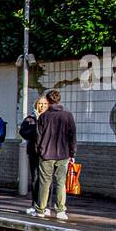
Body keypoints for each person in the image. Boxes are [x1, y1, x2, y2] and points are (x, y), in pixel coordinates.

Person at [27, 89, 76, 221]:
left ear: (48, 101)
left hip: (46, 154)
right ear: (58, 100)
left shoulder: (43, 116)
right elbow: (72, 136)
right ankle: (60, 210)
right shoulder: (68, 115)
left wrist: (39, 151)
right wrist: (72, 153)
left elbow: (38, 136)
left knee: (44, 182)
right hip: (63, 154)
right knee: (61, 182)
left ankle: (41, 209)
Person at [19, 96, 49, 202]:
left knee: (46, 179)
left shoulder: (50, 118)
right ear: (36, 104)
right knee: (35, 177)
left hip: (48, 152)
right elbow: (22, 132)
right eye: (40, 104)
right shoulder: (30, 118)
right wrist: (34, 133)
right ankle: (35, 203)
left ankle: (45, 204)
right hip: (33, 151)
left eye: (45, 104)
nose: (42, 106)